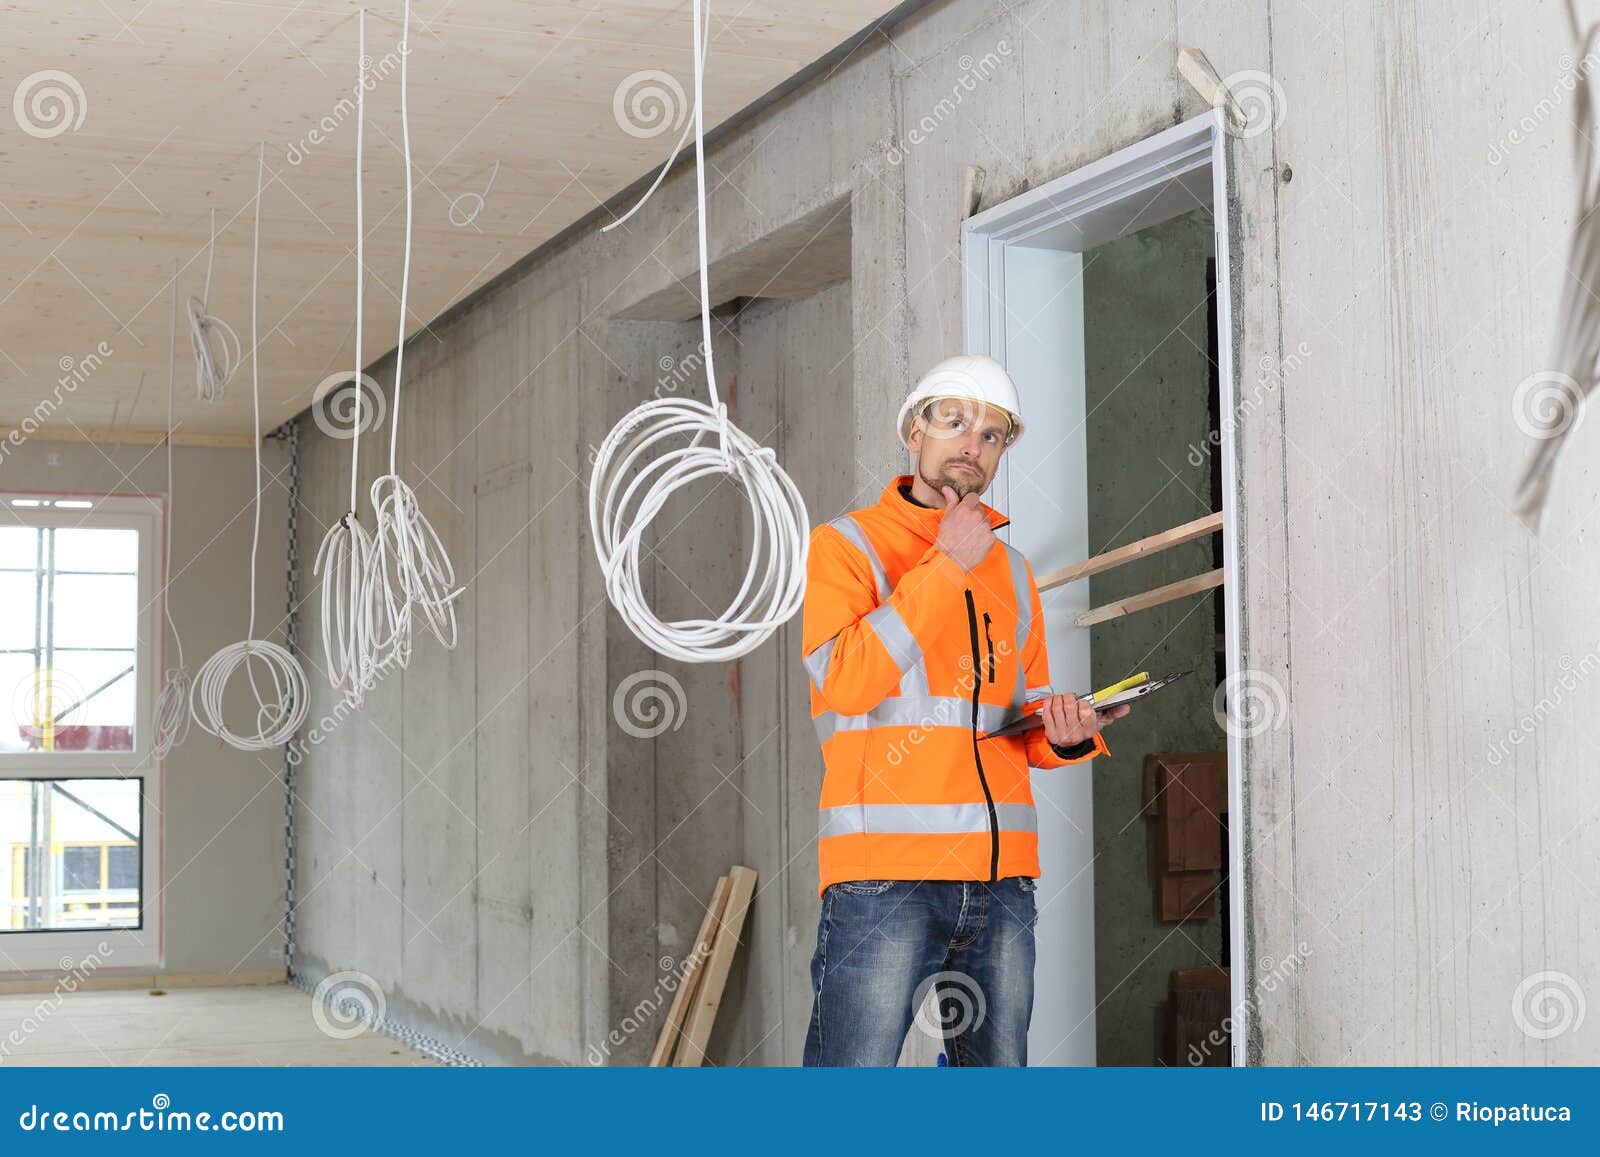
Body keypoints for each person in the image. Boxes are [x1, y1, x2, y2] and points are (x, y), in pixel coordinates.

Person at [799, 353, 1130, 1067]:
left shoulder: (1012, 571)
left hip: (1001, 883)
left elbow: (1021, 716)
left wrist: (1069, 734)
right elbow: (847, 681)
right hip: (884, 878)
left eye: (991, 435)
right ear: (913, 430)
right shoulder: (845, 546)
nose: (971, 447)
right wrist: (945, 565)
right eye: (954, 422)